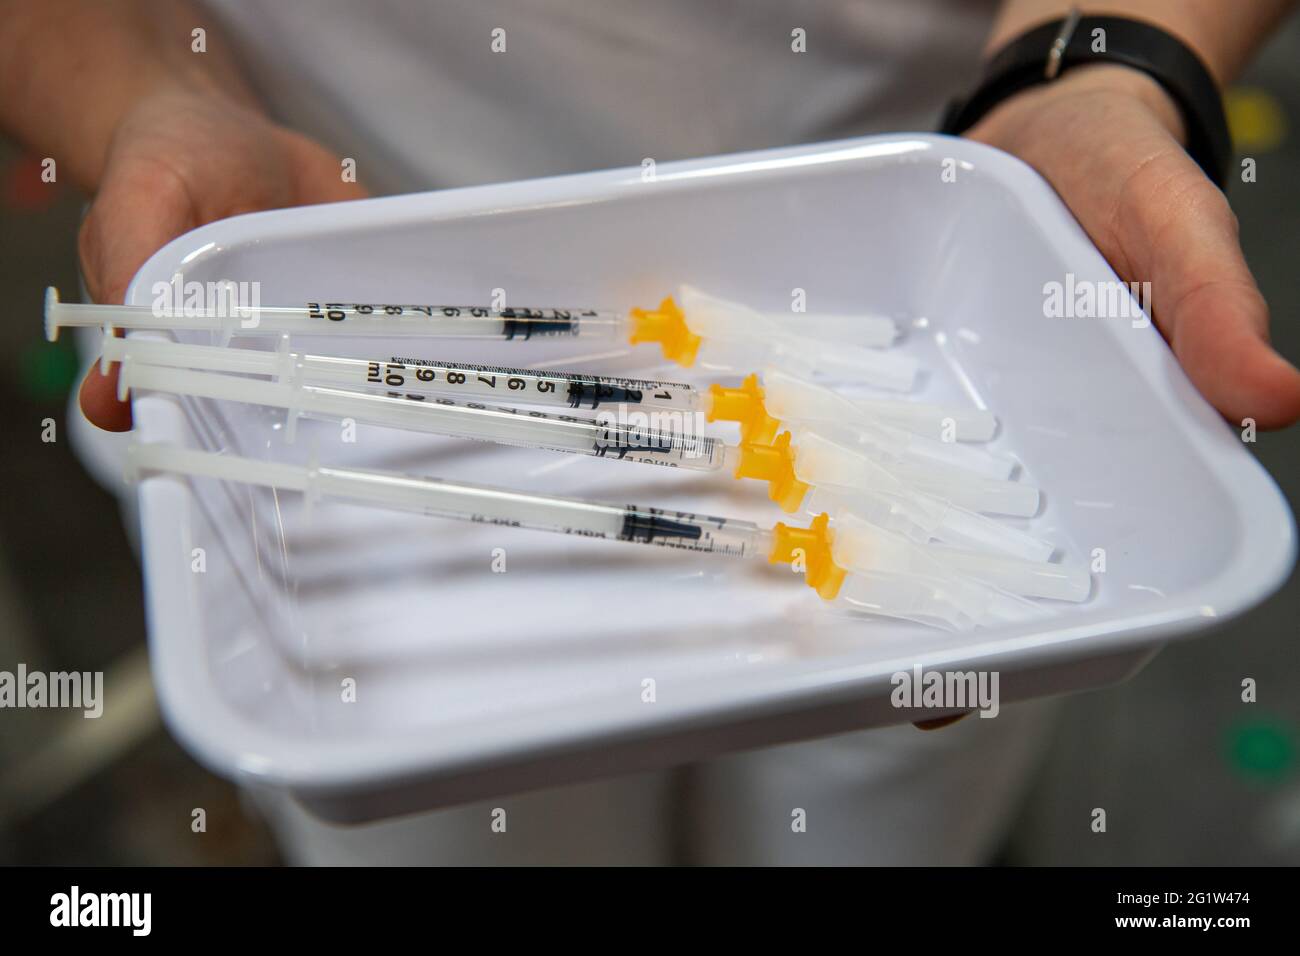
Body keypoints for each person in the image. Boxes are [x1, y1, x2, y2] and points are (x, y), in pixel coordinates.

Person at [2, 0, 1296, 864]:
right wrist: (144, 94)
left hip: (910, 243)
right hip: (315, 278)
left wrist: (1100, 60)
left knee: (874, 823)